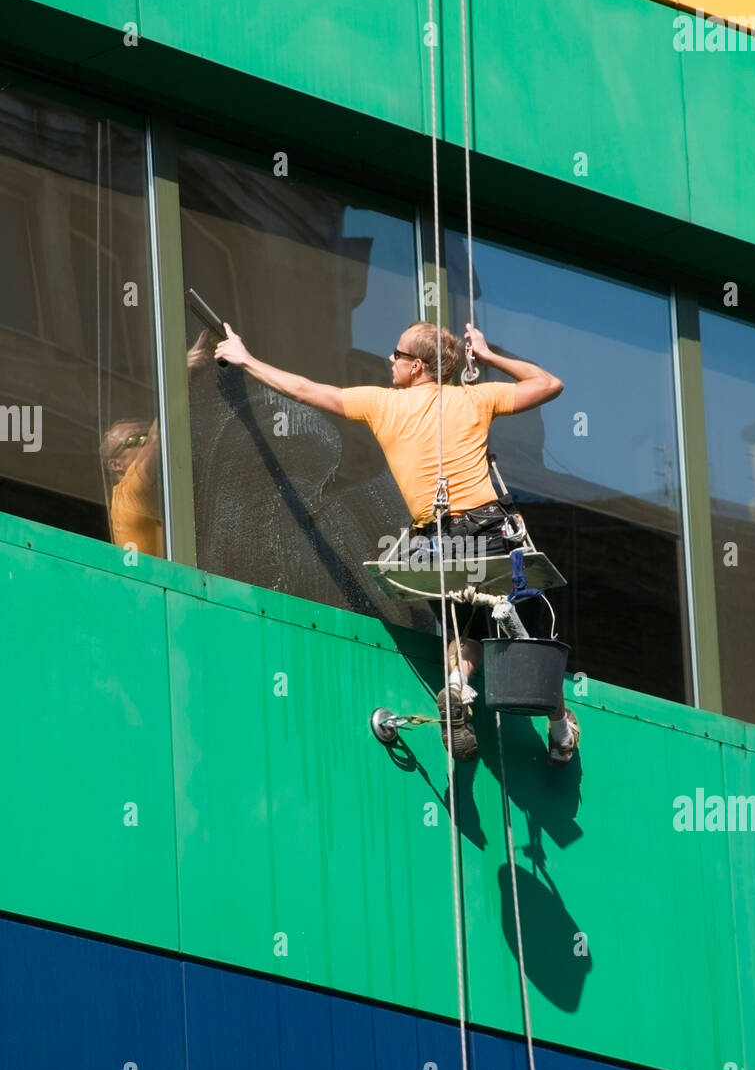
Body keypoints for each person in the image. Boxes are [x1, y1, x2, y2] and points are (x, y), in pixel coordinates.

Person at [213, 318, 580, 765]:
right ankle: (561, 730)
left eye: (398, 354)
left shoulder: (381, 406)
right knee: (533, 639)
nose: (390, 359)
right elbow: (549, 384)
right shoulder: (477, 398)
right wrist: (487, 357)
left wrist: (246, 360)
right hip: (489, 534)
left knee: (464, 627)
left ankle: (459, 685)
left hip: (440, 544)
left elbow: (306, 390)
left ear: (419, 367)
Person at [100, 331, 211, 557]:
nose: (143, 443)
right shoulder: (130, 489)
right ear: (115, 465)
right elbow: (157, 439)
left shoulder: (137, 498)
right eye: (134, 441)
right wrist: (180, 375)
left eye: (142, 436)